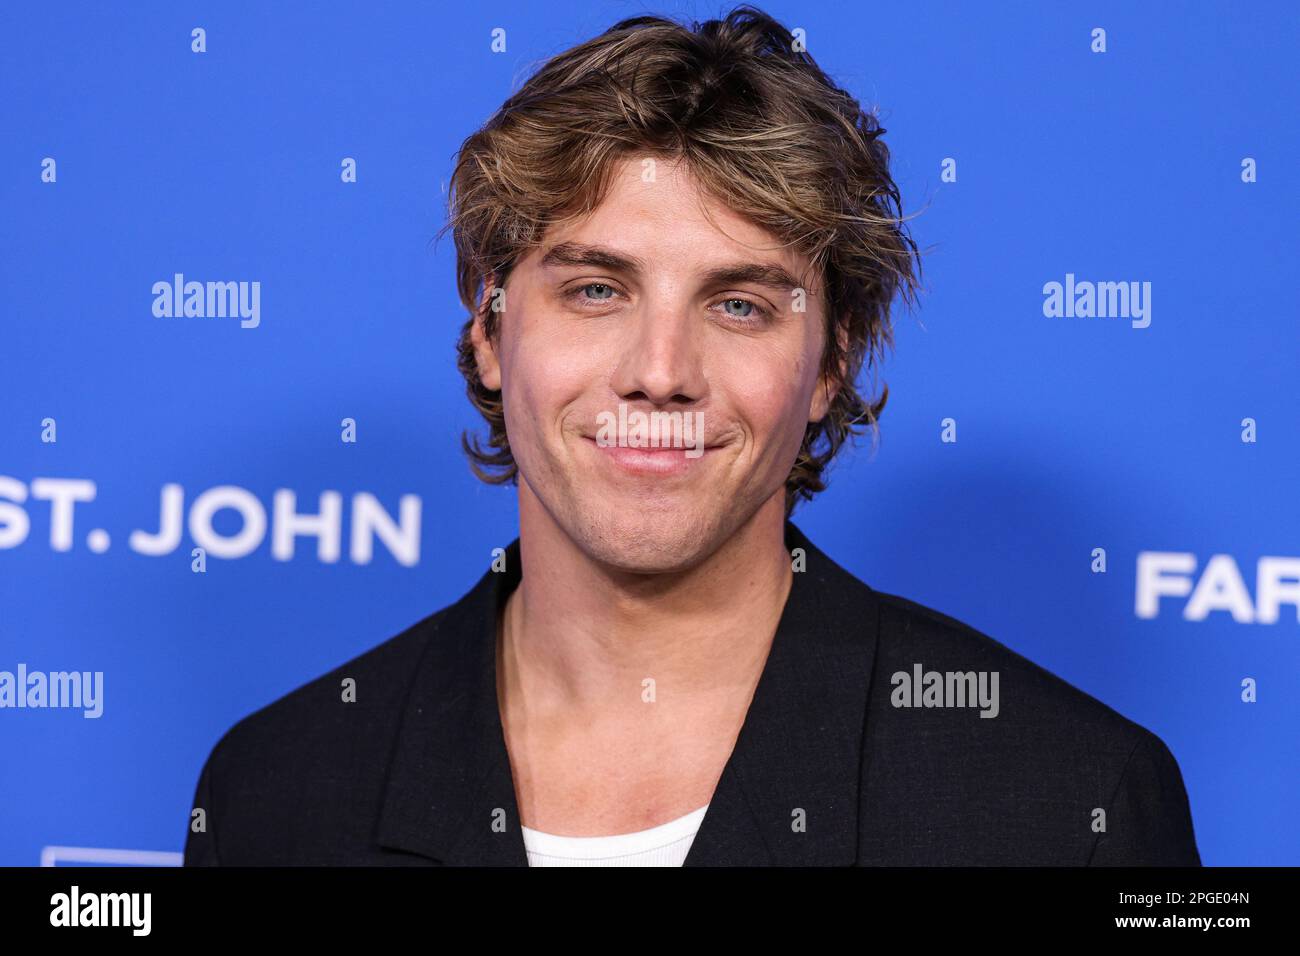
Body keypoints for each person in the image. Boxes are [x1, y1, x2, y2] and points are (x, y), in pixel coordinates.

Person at [184, 4, 1199, 866]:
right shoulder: (274, 793)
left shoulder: (1070, 804)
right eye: (593, 288)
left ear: (832, 360)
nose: (660, 369)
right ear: (489, 326)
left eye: (740, 306)